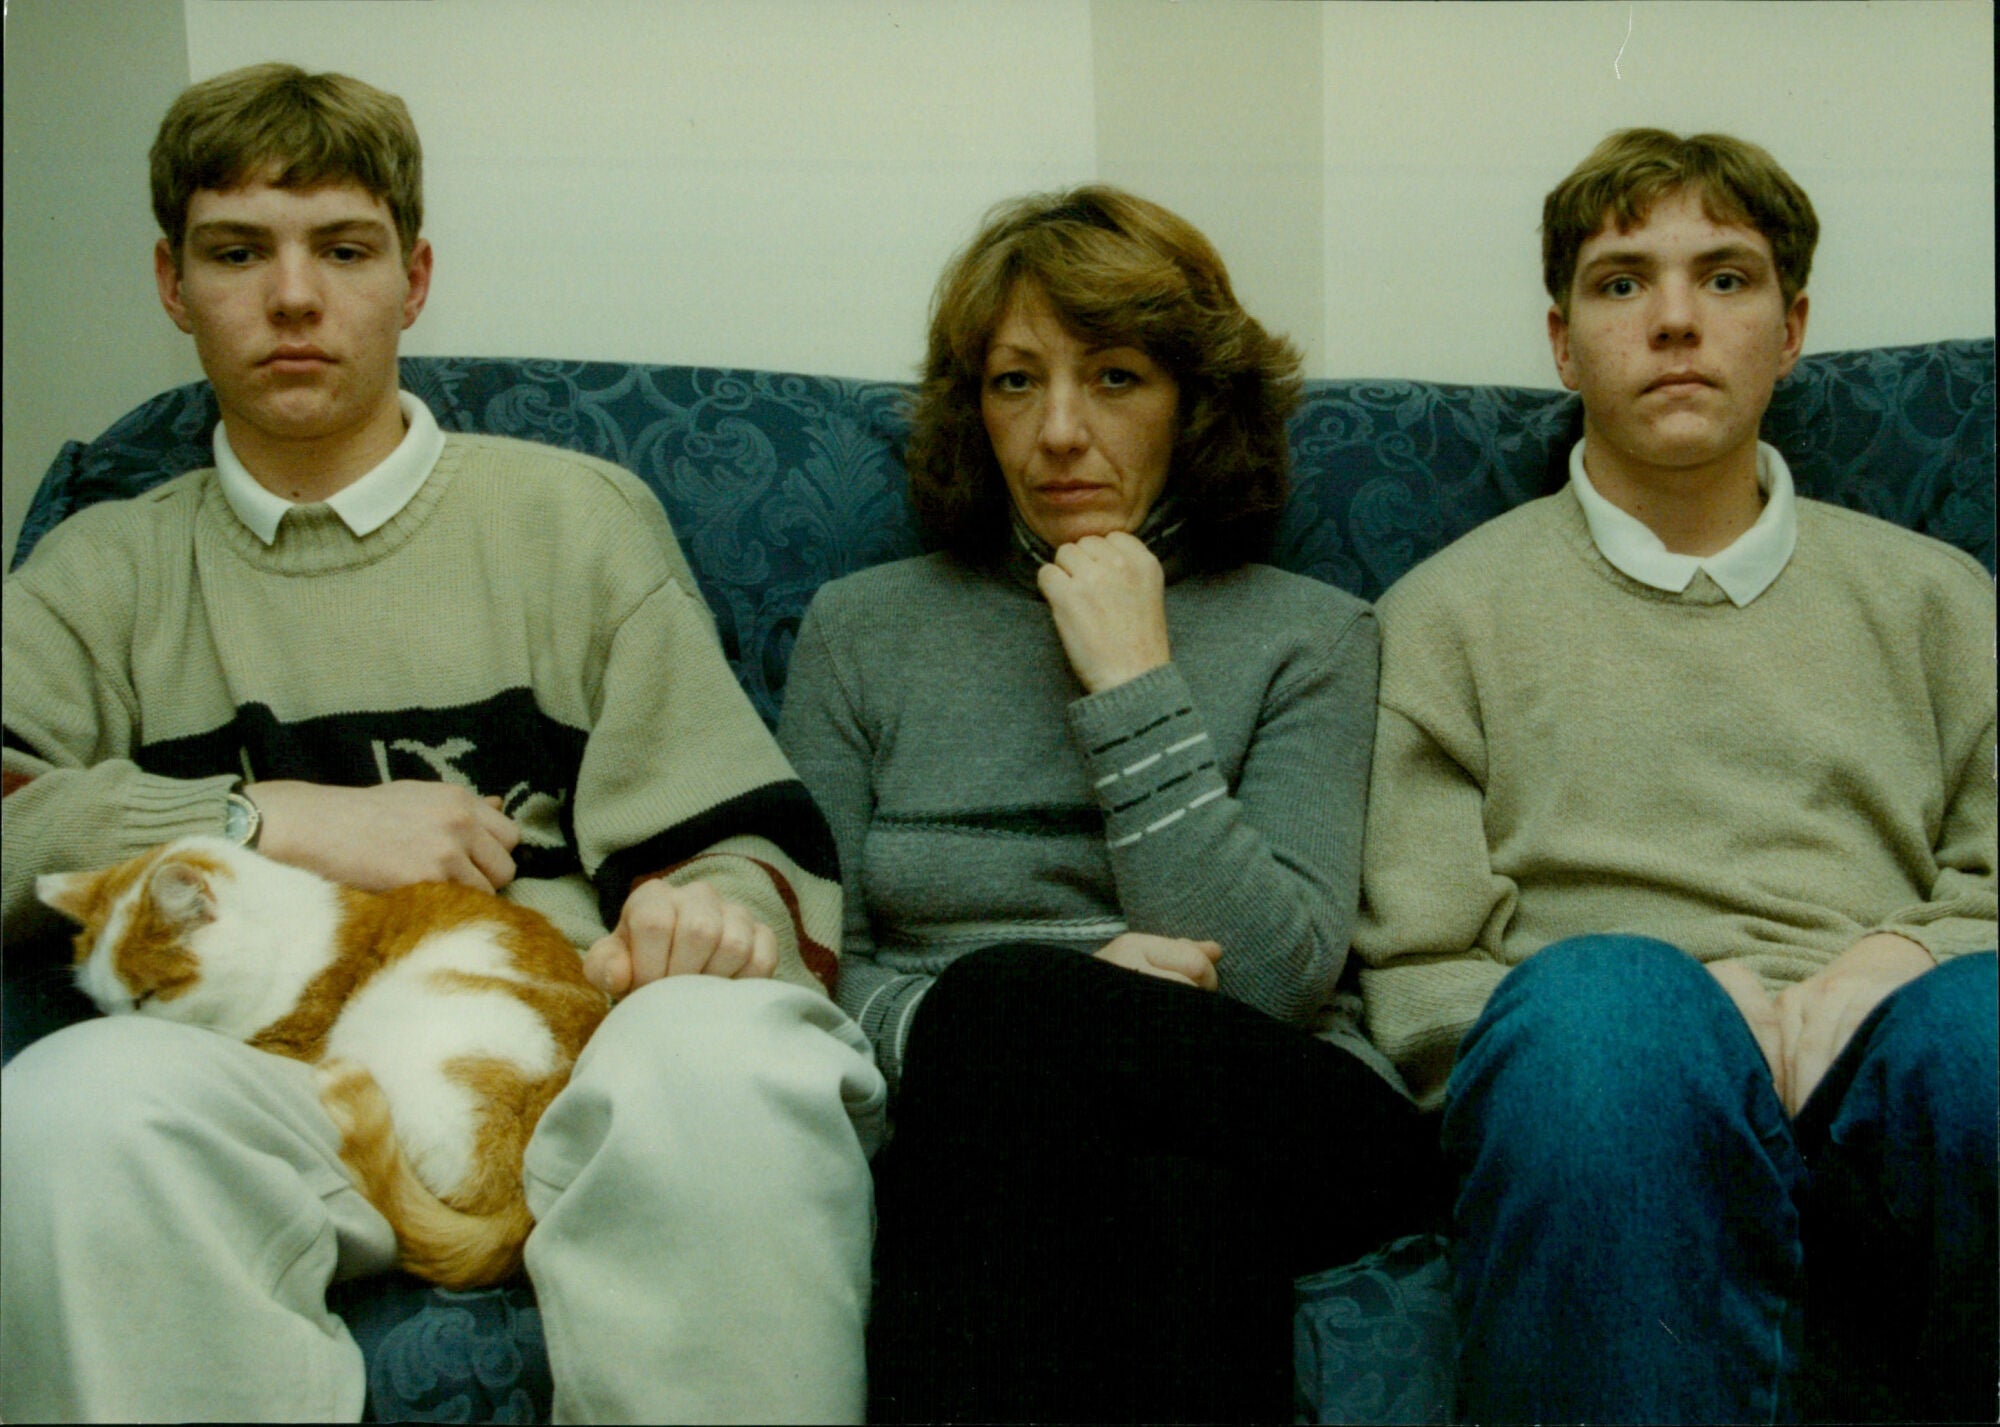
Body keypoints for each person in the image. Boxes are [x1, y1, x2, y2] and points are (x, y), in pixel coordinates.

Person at [0, 63, 885, 1423]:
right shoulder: (97, 566)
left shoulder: (575, 517)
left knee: (734, 1060)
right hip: (257, 1095)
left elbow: (741, 829)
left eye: (342, 249)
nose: (294, 296)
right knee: (69, 1107)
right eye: (239, 251)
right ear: (173, 284)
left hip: (572, 1061)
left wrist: (712, 912)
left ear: (412, 279)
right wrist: (260, 817)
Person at [1353, 128, 1997, 1423]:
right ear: (1560, 340)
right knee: (1611, 1009)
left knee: (1983, 1028)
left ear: (1792, 326)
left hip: (1891, 1070)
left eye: (1725, 277)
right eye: (1621, 281)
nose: (1675, 322)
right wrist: (1673, 1004)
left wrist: (1902, 957)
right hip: (1607, 1093)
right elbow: (1421, 973)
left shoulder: (1936, 596)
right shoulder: (1444, 612)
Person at [776, 184, 1441, 1425]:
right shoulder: (861, 630)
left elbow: (1280, 974)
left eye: (1116, 378)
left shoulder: (1310, 634)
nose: (1058, 432)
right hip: (973, 1096)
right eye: (1016, 382)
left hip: (1282, 1090)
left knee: (1022, 1018)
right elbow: (807, 961)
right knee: (1166, 1190)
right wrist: (1073, 978)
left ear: (1194, 403)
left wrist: (1133, 679)